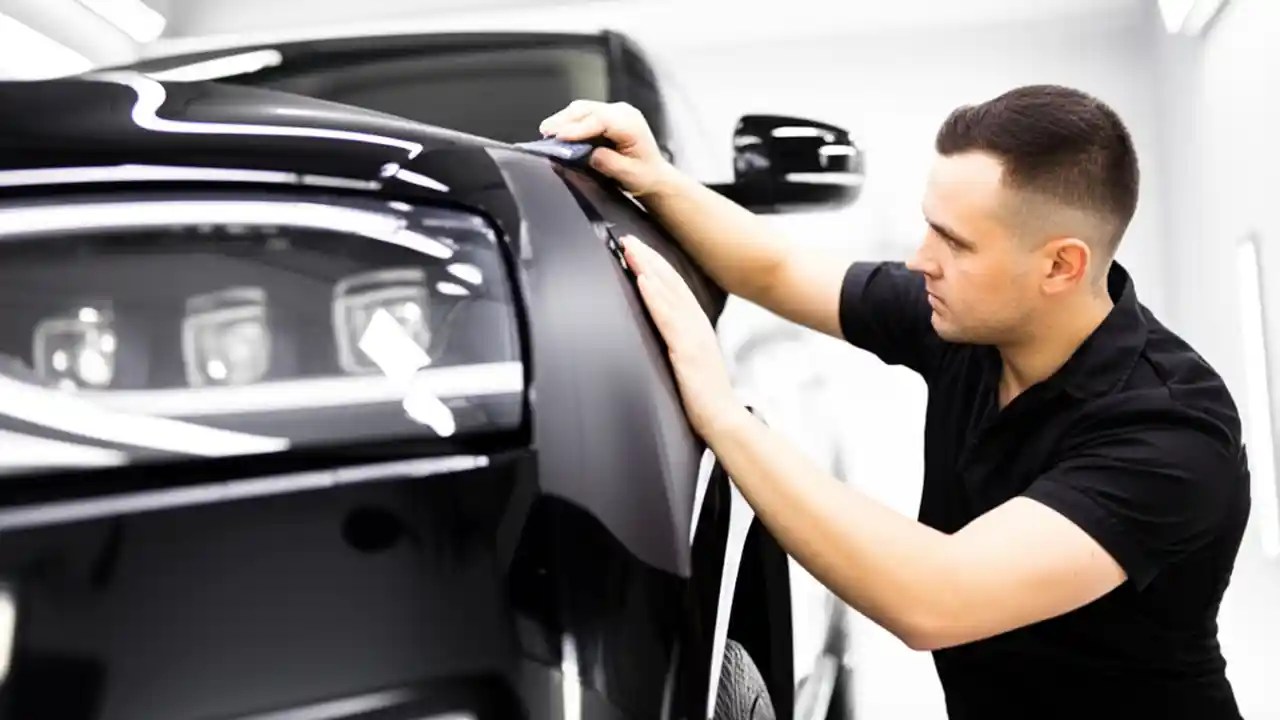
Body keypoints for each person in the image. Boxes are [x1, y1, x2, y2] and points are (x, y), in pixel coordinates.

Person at [539, 84, 1250, 719]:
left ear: (1061, 265)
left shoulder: (1172, 432)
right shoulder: (974, 323)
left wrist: (721, 413)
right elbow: (778, 268)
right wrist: (657, 180)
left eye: (955, 242)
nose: (920, 260)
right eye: (930, 225)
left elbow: (935, 598)